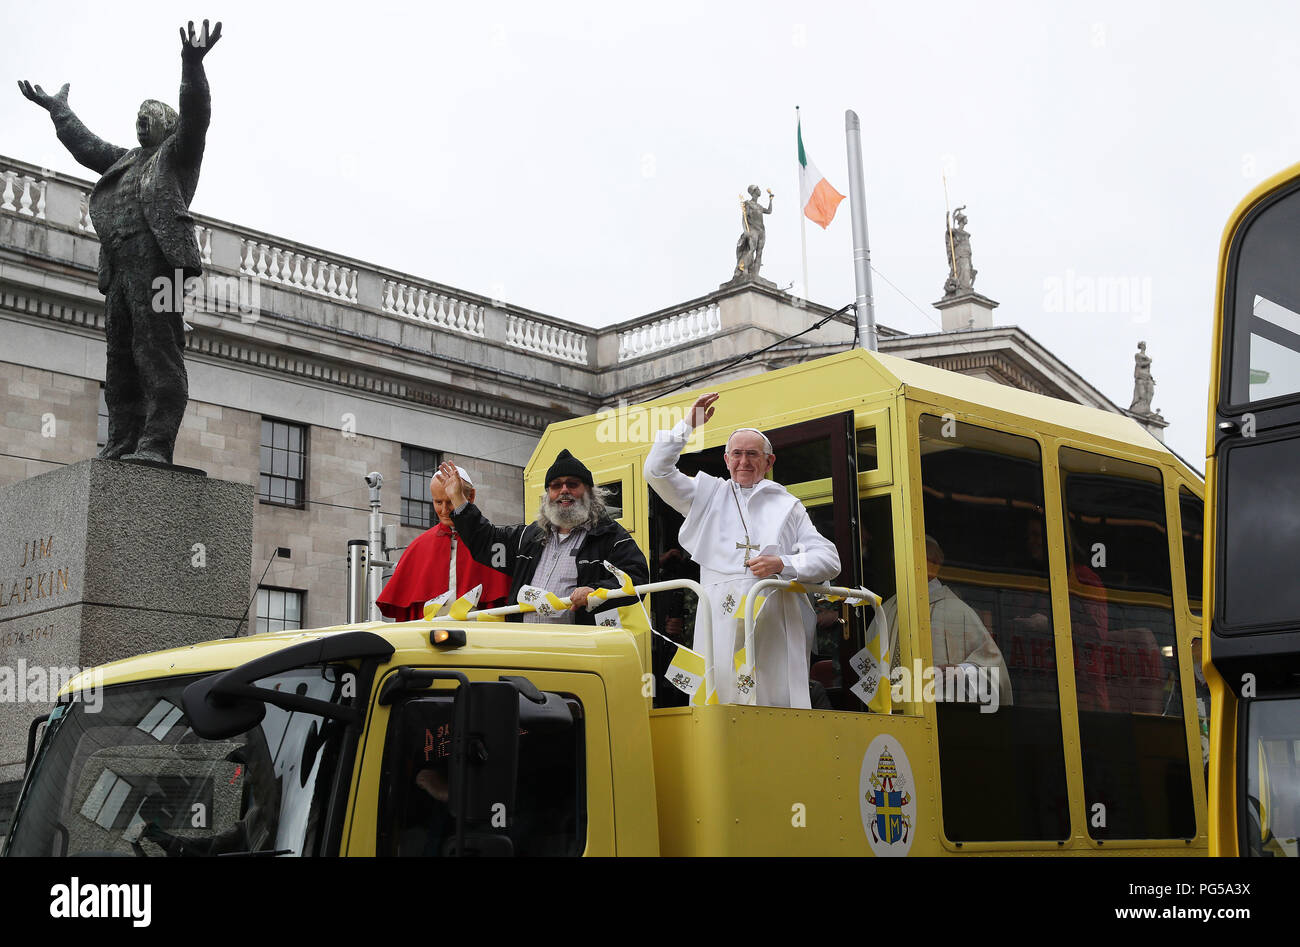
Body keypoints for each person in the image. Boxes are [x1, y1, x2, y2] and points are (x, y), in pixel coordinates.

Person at [18, 21, 221, 464]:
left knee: (158, 353)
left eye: (147, 117)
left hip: (161, 273)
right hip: (121, 272)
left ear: (166, 125)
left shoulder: (177, 156)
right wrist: (60, 113)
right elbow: (88, 147)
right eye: (136, 117)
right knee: (121, 357)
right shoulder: (127, 161)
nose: (139, 122)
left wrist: (191, 65)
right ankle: (124, 438)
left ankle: (157, 442)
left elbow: (197, 115)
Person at [644, 392, 841, 708]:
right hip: (720, 620)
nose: (744, 461)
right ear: (726, 459)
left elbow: (829, 559)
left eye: (752, 454)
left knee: (775, 704)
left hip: (776, 623)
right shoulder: (706, 496)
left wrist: (782, 563)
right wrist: (688, 425)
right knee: (722, 703)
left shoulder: (789, 506)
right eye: (736, 454)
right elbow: (656, 471)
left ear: (769, 461)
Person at [440, 452, 649, 626]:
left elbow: (637, 581)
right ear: (548, 494)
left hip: (584, 653)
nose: (564, 490)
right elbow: (485, 542)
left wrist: (596, 591)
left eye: (572, 484)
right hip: (528, 649)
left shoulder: (610, 536)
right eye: (556, 486)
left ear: (589, 493)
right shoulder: (527, 538)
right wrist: (458, 500)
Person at [883, 536, 1013, 708]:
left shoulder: (959, 612)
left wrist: (962, 672)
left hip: (941, 718)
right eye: (899, 558)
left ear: (935, 563)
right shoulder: (887, 609)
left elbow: (995, 674)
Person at [376, 465, 511, 620]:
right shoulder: (418, 547)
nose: (444, 510)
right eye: (438, 502)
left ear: (471, 496)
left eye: (450, 501)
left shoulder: (492, 543)